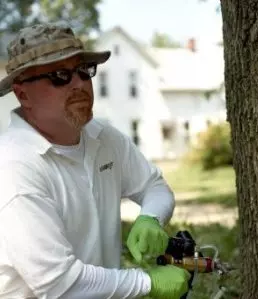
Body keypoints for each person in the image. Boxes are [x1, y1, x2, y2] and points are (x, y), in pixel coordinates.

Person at [0, 22, 191, 299]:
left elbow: (154, 186)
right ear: (23, 94)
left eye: (83, 71)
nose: (79, 84)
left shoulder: (104, 137)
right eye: (60, 76)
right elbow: (59, 284)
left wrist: (150, 217)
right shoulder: (13, 167)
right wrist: (148, 282)